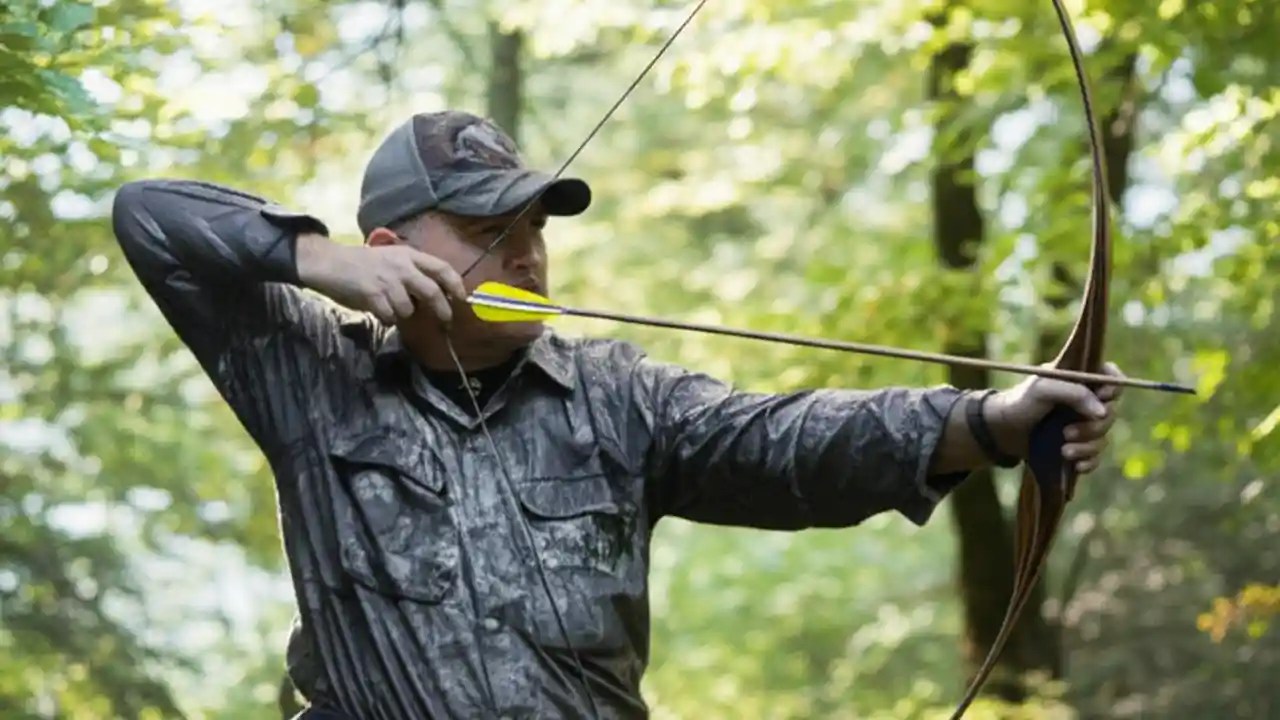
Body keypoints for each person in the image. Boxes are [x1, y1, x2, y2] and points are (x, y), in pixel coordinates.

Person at [111, 110, 1124, 720]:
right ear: (393, 246)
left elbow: (786, 445)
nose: (525, 251)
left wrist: (993, 420)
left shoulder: (614, 397)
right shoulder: (309, 377)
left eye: (533, 227)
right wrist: (317, 258)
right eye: (486, 227)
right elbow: (149, 215)